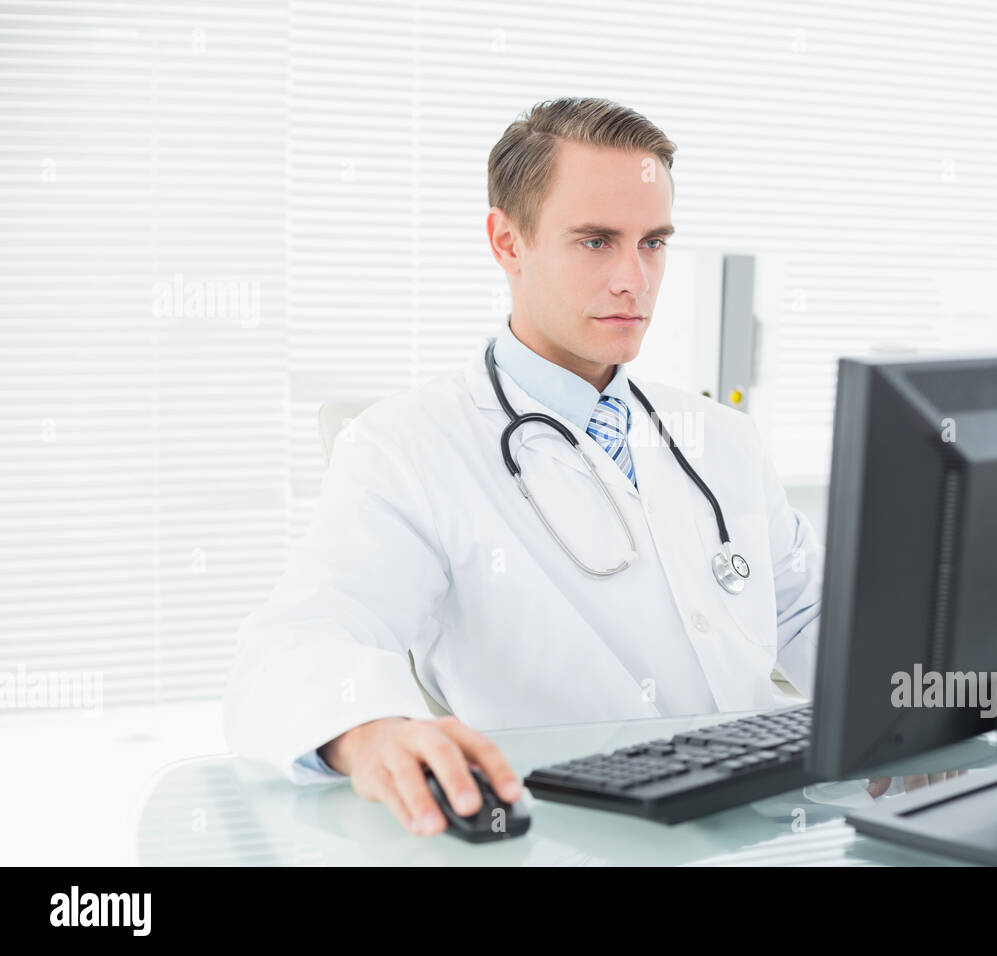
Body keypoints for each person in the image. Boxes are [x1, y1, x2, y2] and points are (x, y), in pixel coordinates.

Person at [223, 96, 945, 838]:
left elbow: (811, 612)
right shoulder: (406, 447)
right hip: (577, 838)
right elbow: (300, 642)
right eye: (597, 241)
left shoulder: (720, 439)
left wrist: (935, 699)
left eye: (653, 242)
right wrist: (372, 733)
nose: (634, 279)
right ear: (508, 242)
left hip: (773, 823)